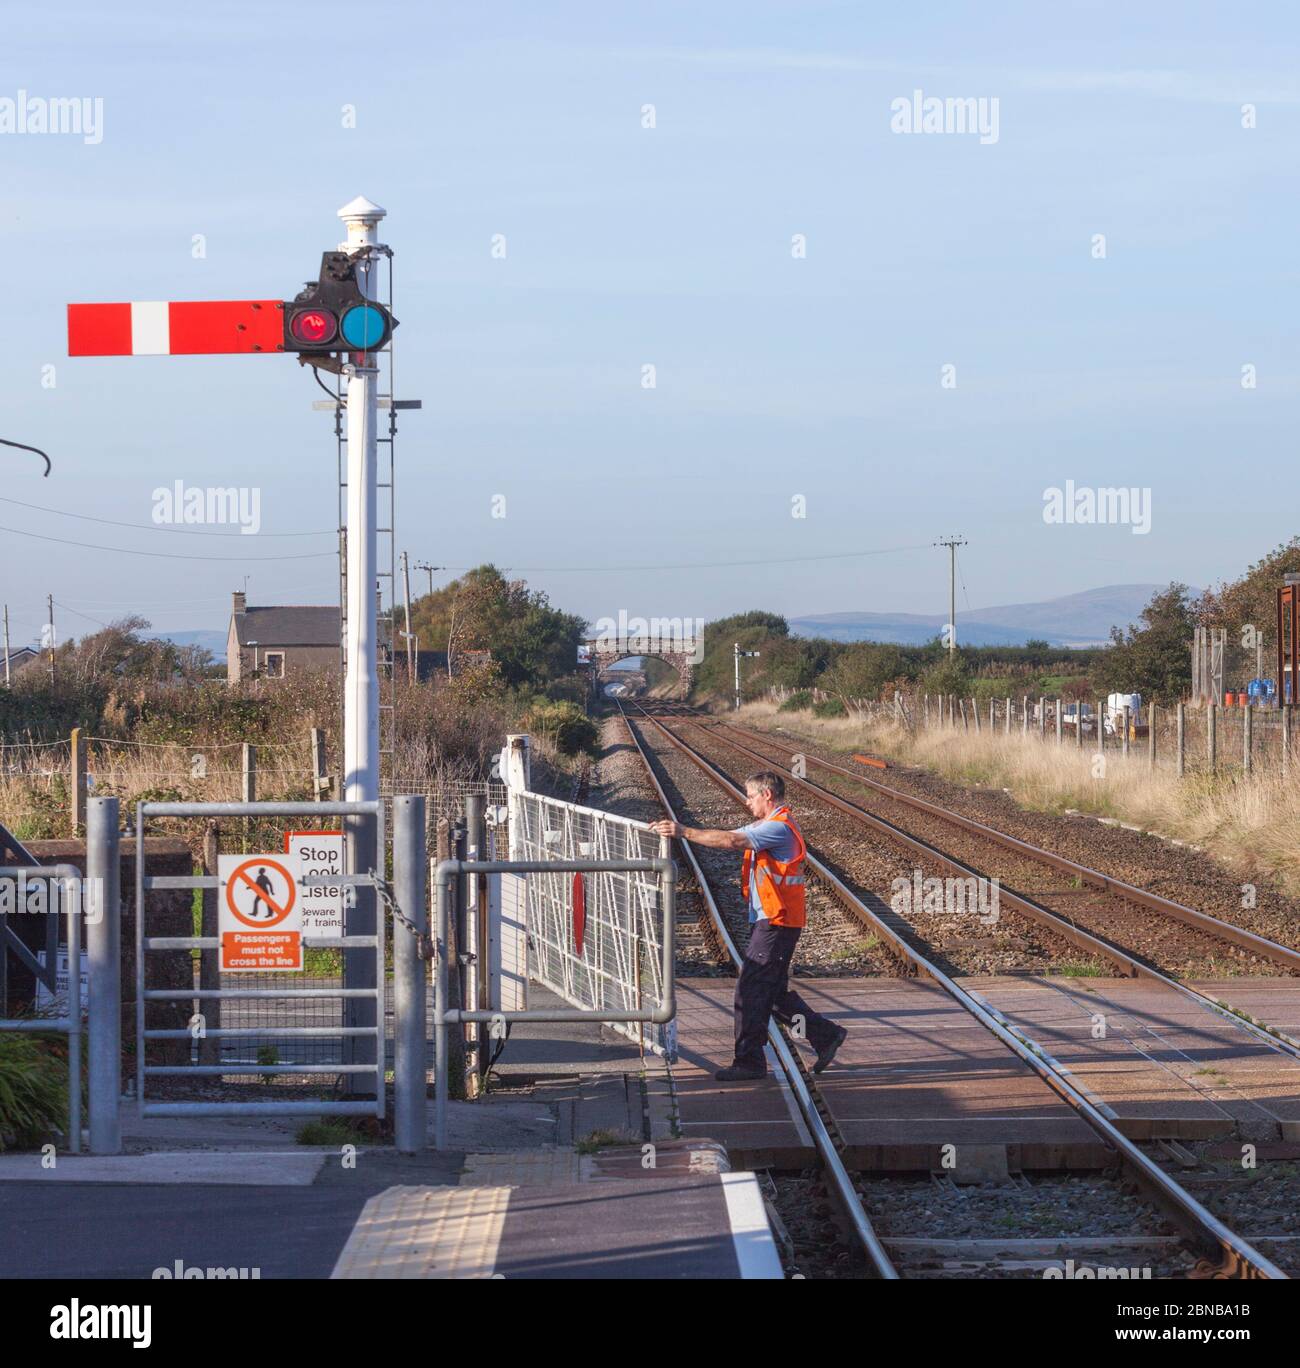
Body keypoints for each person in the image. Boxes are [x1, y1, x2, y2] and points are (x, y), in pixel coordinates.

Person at [651, 770, 847, 1081]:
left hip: (777, 921)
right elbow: (730, 834)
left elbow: (731, 840)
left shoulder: (778, 828)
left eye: (751, 796)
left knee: (750, 989)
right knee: (772, 993)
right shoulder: (769, 825)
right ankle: (825, 1035)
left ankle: (750, 1062)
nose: (747, 801)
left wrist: (683, 832)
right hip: (775, 920)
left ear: (767, 795)